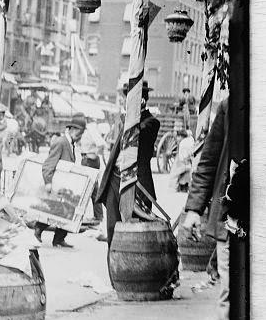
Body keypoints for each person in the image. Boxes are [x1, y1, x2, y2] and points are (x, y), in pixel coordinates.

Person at [181, 98, 231, 320]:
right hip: (232, 216)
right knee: (230, 290)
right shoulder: (230, 105)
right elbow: (209, 160)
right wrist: (193, 210)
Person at [94, 83, 161, 244]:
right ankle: (113, 264)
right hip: (115, 179)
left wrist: (132, 116)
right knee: (112, 226)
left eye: (131, 99)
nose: (126, 102)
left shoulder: (151, 123)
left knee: (134, 228)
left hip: (136, 181)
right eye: (127, 98)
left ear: (142, 101)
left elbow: (140, 133)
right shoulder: (124, 120)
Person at [34, 113, 86, 248]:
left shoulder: (71, 143)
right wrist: (48, 182)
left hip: (65, 185)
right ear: (73, 130)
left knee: (67, 211)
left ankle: (59, 238)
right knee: (53, 210)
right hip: (56, 183)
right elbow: (48, 164)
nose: (80, 136)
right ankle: (37, 231)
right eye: (80, 133)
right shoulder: (60, 142)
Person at [169, 126, 195, 192]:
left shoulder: (182, 144)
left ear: (181, 136)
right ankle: (185, 187)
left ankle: (174, 186)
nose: (177, 139)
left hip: (184, 162)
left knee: (174, 171)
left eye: (178, 137)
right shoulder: (191, 140)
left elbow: (181, 157)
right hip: (190, 161)